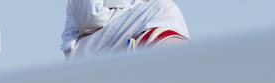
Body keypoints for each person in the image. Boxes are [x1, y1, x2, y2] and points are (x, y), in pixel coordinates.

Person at [61, 0, 189, 58]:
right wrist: (136, 6)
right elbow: (89, 21)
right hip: (83, 50)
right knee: (162, 8)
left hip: (107, 41)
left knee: (165, 11)